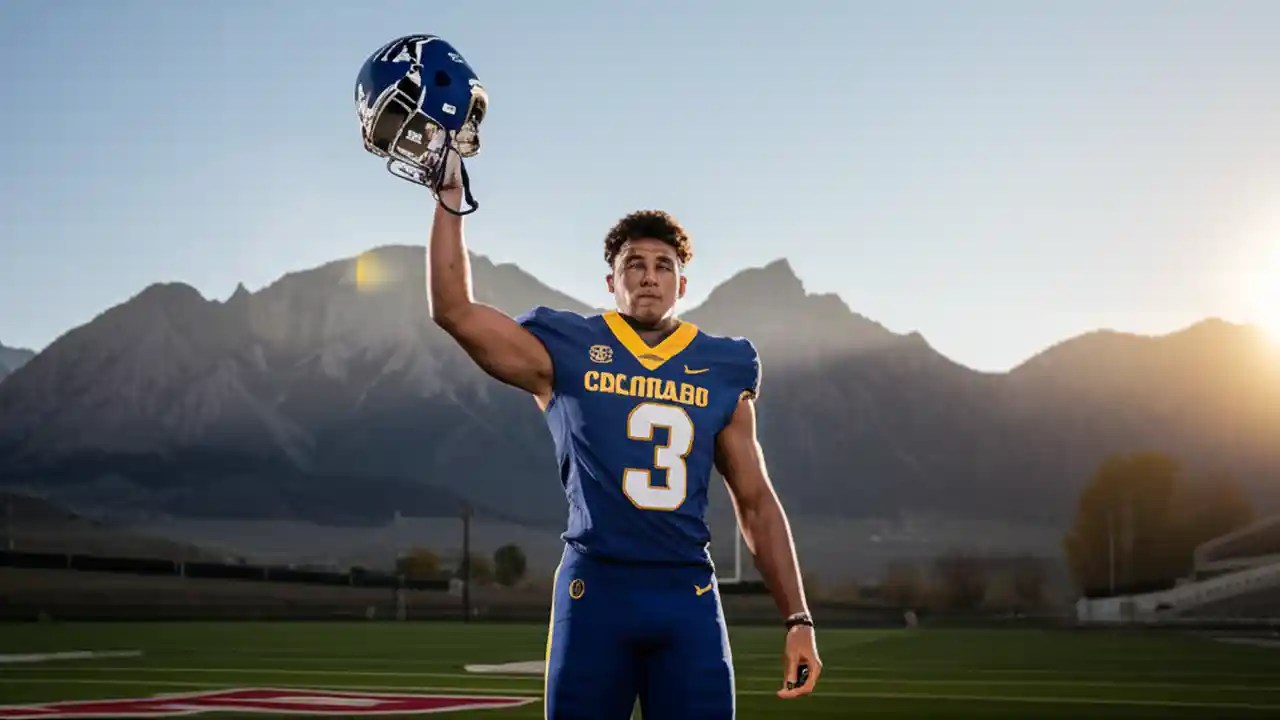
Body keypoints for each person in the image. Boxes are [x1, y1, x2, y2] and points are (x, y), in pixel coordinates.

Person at [426, 160, 821, 719]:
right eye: (633, 263)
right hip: (595, 592)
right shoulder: (568, 348)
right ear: (611, 280)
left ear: (683, 284)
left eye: (664, 265)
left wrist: (797, 618)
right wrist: (448, 200)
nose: (649, 276)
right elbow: (455, 311)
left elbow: (755, 502)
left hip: (686, 595)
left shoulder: (723, 365)